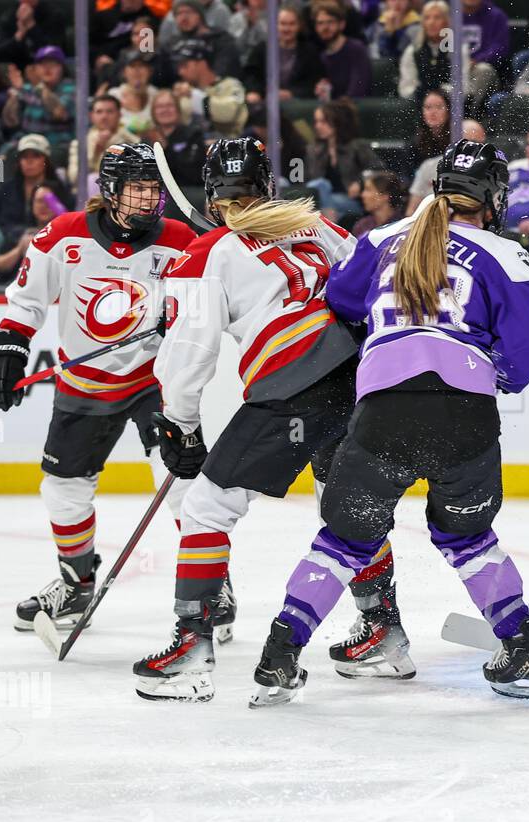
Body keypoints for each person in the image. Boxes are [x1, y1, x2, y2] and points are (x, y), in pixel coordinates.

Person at [255, 140, 529, 703]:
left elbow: (340, 301)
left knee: (344, 541)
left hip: (383, 409)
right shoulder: (506, 254)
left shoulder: (382, 238)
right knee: (468, 539)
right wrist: (497, 374)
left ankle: (279, 655)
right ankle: (522, 646)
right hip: (464, 414)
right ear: (492, 198)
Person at [134, 137, 384, 702]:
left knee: (206, 504)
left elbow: (189, 355)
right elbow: (372, 279)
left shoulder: (207, 253)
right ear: (267, 185)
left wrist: (181, 423)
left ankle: (192, 649)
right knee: (346, 503)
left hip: (295, 381)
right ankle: (383, 632)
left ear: (214, 197)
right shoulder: (318, 227)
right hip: (363, 377)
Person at [0, 143, 200, 635]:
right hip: (84, 382)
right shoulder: (62, 234)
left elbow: (210, 300)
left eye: (153, 189)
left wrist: (183, 316)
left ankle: (209, 589)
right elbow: (27, 302)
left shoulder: (182, 240)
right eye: (136, 189)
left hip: (154, 382)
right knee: (62, 491)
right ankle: (75, 585)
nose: (147, 199)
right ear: (111, 190)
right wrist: (9, 345)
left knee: (183, 484)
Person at [0, 132, 73, 245]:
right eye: (24, 157)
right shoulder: (5, 190)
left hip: (53, 245)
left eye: (36, 156)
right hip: (12, 247)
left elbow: (66, 220)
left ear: (45, 160)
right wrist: (23, 234)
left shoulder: (60, 190)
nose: (29, 161)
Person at [304, 98, 379, 219]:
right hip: (322, 202)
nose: (318, 126)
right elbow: (309, 182)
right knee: (320, 185)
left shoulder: (357, 146)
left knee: (321, 189)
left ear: (336, 122)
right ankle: (331, 219)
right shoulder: (314, 150)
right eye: (316, 121)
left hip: (350, 201)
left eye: (323, 121)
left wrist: (360, 183)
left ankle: (328, 224)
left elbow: (378, 169)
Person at [1, 44, 75, 153]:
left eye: (53, 64)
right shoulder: (26, 88)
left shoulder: (70, 88)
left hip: (55, 143)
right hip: (26, 140)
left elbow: (60, 113)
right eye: (42, 64)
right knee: (2, 157)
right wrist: (15, 94)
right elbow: (10, 122)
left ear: (62, 68)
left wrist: (39, 87)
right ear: (35, 68)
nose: (47, 68)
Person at [243, 5, 325, 102]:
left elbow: (313, 82)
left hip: (297, 102)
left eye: (292, 24)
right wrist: (254, 92)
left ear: (299, 26)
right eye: (282, 24)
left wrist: (291, 93)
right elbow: (251, 75)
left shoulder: (310, 51)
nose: (286, 29)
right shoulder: (262, 49)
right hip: (265, 100)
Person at [407, 116, 485, 215]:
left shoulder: (488, 172)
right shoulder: (429, 166)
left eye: (480, 144)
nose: (476, 148)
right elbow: (411, 211)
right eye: (470, 143)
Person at [172, 38, 248, 137]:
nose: (180, 72)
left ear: (201, 63)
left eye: (185, 65)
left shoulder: (230, 85)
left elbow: (229, 113)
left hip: (229, 147)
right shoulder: (181, 91)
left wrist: (194, 95)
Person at [68, 94, 139, 195]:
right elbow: (74, 178)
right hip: (88, 197)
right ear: (91, 116)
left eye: (109, 111)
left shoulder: (134, 142)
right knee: (92, 179)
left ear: (119, 115)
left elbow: (136, 174)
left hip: (124, 193)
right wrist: (96, 153)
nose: (104, 116)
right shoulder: (79, 143)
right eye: (99, 112)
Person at [140, 89, 207, 186]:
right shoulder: (147, 138)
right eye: (159, 106)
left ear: (178, 109)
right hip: (156, 192)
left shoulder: (193, 134)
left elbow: (193, 174)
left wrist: (166, 148)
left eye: (169, 105)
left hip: (187, 191)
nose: (165, 110)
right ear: (153, 112)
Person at [311, 0, 370, 99]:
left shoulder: (356, 49)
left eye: (330, 22)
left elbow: (357, 92)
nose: (325, 27)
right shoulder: (322, 56)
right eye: (320, 23)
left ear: (342, 24)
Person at [353, 168, 405, 235]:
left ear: (385, 195)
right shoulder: (362, 226)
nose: (363, 195)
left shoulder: (402, 226)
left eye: (368, 190)